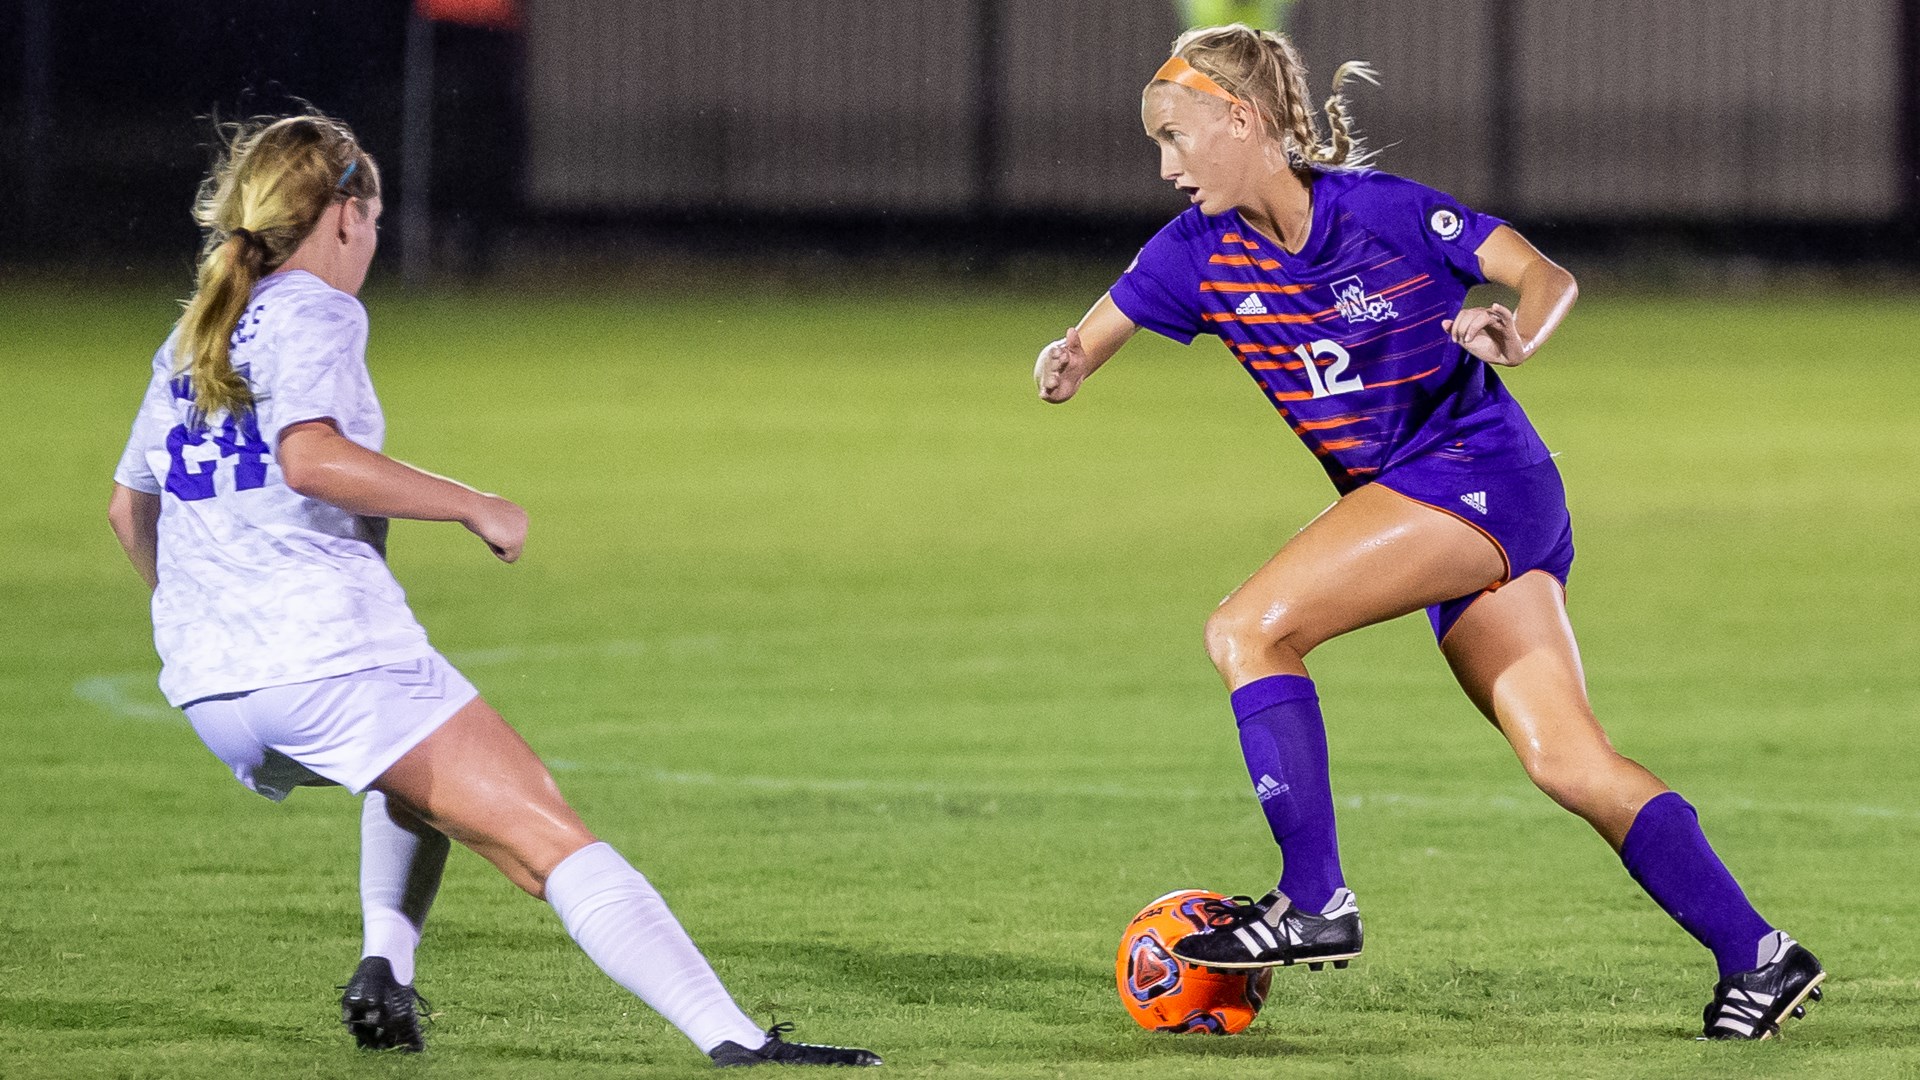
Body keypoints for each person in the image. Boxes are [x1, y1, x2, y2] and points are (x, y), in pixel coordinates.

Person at [1031, 26, 1822, 1041]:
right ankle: (1759, 954)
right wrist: (1066, 362)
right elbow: (1089, 338)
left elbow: (1544, 276)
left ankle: (1314, 899)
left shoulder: (1387, 214)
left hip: (1478, 480)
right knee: (1567, 761)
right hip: (1453, 509)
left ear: (1242, 121)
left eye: (1176, 138)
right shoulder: (1191, 253)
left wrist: (1516, 332)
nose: (1165, 166)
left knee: (1247, 631)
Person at [105, 112, 880, 1068]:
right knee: (546, 833)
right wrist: (475, 505)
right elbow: (311, 457)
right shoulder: (316, 309)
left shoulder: (194, 335)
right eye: (376, 220)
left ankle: (384, 964)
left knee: (412, 766)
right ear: (344, 214)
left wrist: (201, 619)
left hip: (212, 686)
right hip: (323, 654)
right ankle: (737, 1044)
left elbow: (126, 513)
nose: (374, 244)